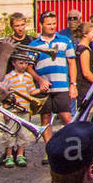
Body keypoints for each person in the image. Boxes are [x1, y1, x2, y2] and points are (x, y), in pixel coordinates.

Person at [30, 10, 78, 141]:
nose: (52, 27)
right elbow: (29, 67)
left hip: (62, 86)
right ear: (41, 25)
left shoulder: (65, 40)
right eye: (49, 24)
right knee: (45, 119)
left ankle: (72, 145)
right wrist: (40, 80)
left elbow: (72, 63)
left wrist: (73, 84)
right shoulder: (34, 44)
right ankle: (49, 148)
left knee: (67, 118)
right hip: (43, 88)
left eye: (54, 23)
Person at [0, 52, 38, 167]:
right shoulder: (8, 77)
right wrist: (5, 108)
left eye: (26, 63)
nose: (24, 65)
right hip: (12, 110)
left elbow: (31, 91)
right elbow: (4, 94)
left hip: (25, 109)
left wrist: (41, 90)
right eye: (21, 63)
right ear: (13, 63)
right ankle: (9, 156)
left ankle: (20, 155)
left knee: (23, 134)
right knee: (9, 133)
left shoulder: (28, 77)